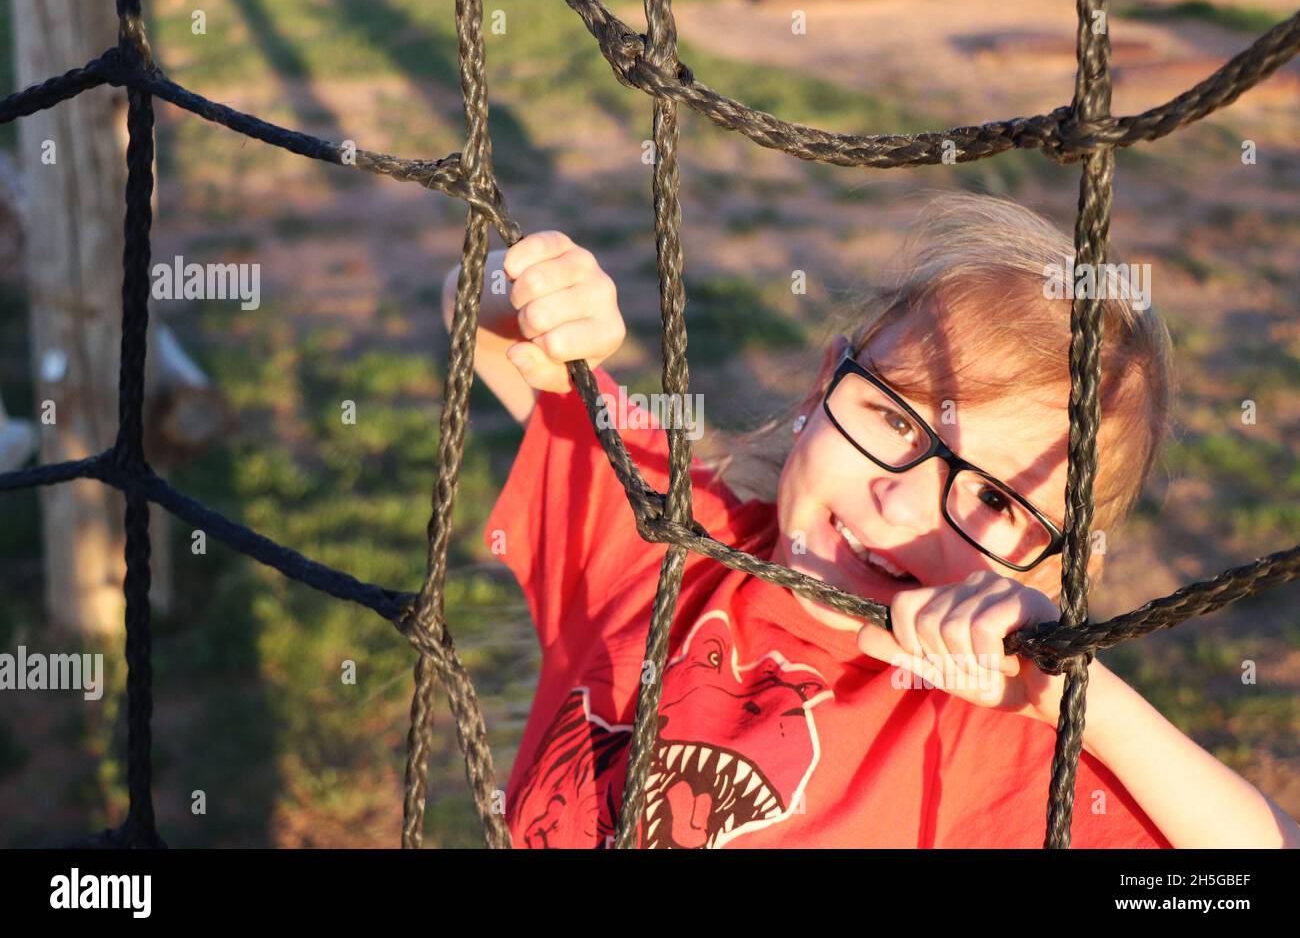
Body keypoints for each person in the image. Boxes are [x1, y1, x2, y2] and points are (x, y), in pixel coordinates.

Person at [441, 190, 1300, 849]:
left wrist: (1089, 704)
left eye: (995, 498)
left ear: (1053, 566)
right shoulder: (668, 536)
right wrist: (534, 298)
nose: (897, 503)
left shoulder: (981, 736)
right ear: (823, 389)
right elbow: (482, 325)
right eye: (895, 419)